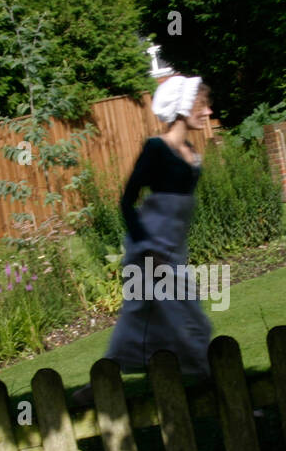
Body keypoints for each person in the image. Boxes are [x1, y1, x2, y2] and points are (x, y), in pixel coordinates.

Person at [71, 76, 215, 406]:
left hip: (172, 248)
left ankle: (98, 388)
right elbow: (126, 201)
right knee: (188, 316)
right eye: (201, 104)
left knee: (139, 317)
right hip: (150, 250)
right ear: (182, 107)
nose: (208, 111)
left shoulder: (191, 153)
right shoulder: (155, 149)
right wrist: (148, 248)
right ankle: (216, 383)